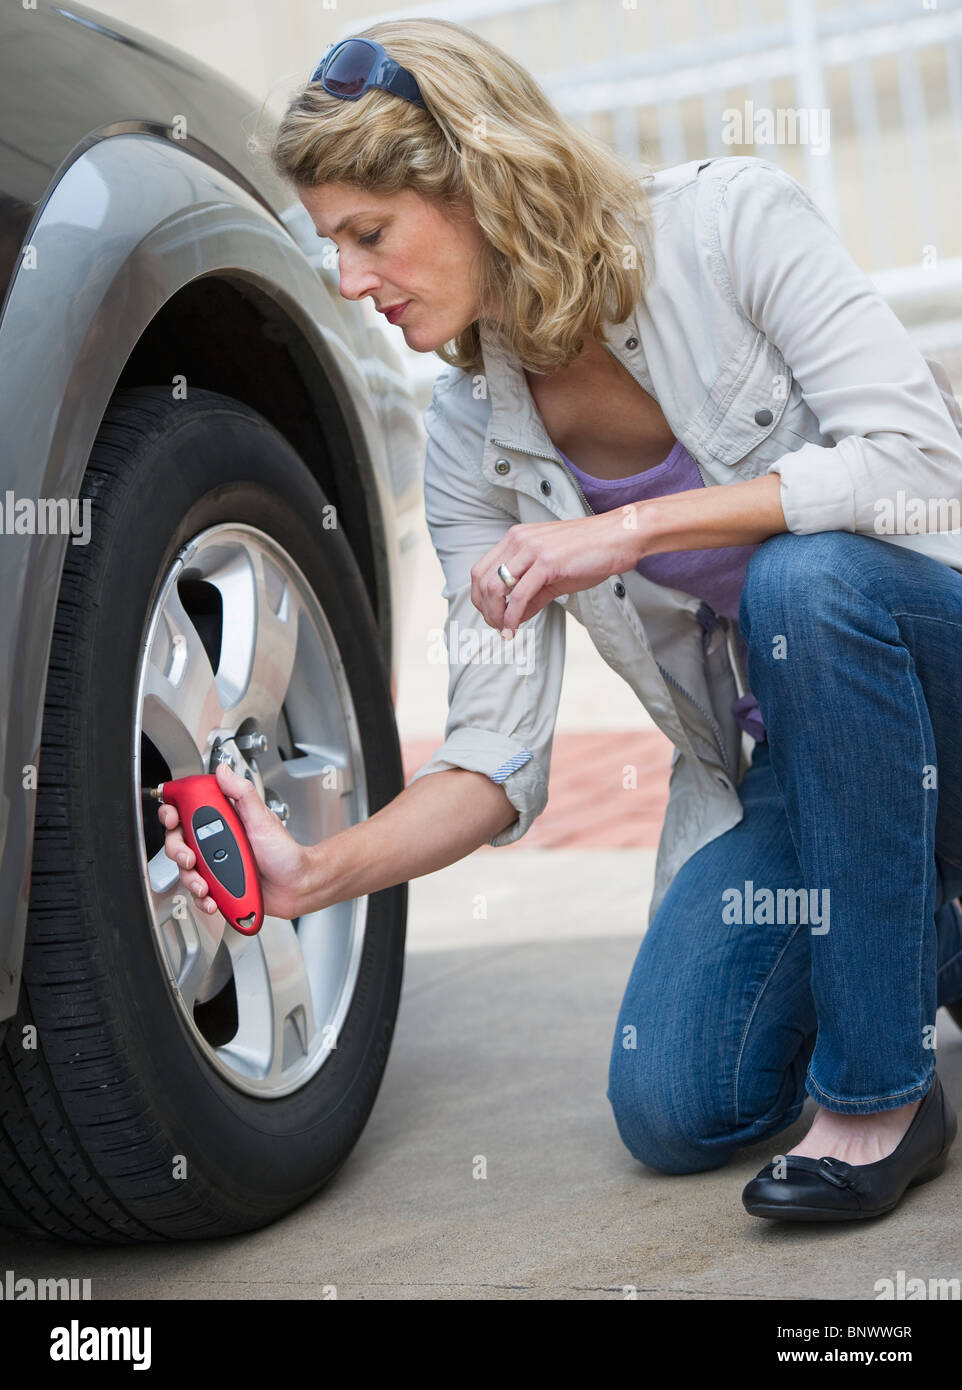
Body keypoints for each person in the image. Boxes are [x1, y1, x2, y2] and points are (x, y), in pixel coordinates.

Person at [159, 18, 962, 1222]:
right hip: (808, 772)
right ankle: (911, 948)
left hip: (932, 672)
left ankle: (877, 1100)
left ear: (479, 181)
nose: (351, 282)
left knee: (808, 581)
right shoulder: (470, 439)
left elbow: (918, 469)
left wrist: (632, 528)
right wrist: (312, 872)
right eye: (333, 246)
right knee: (676, 1099)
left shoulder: (727, 228)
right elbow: (494, 754)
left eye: (369, 235)